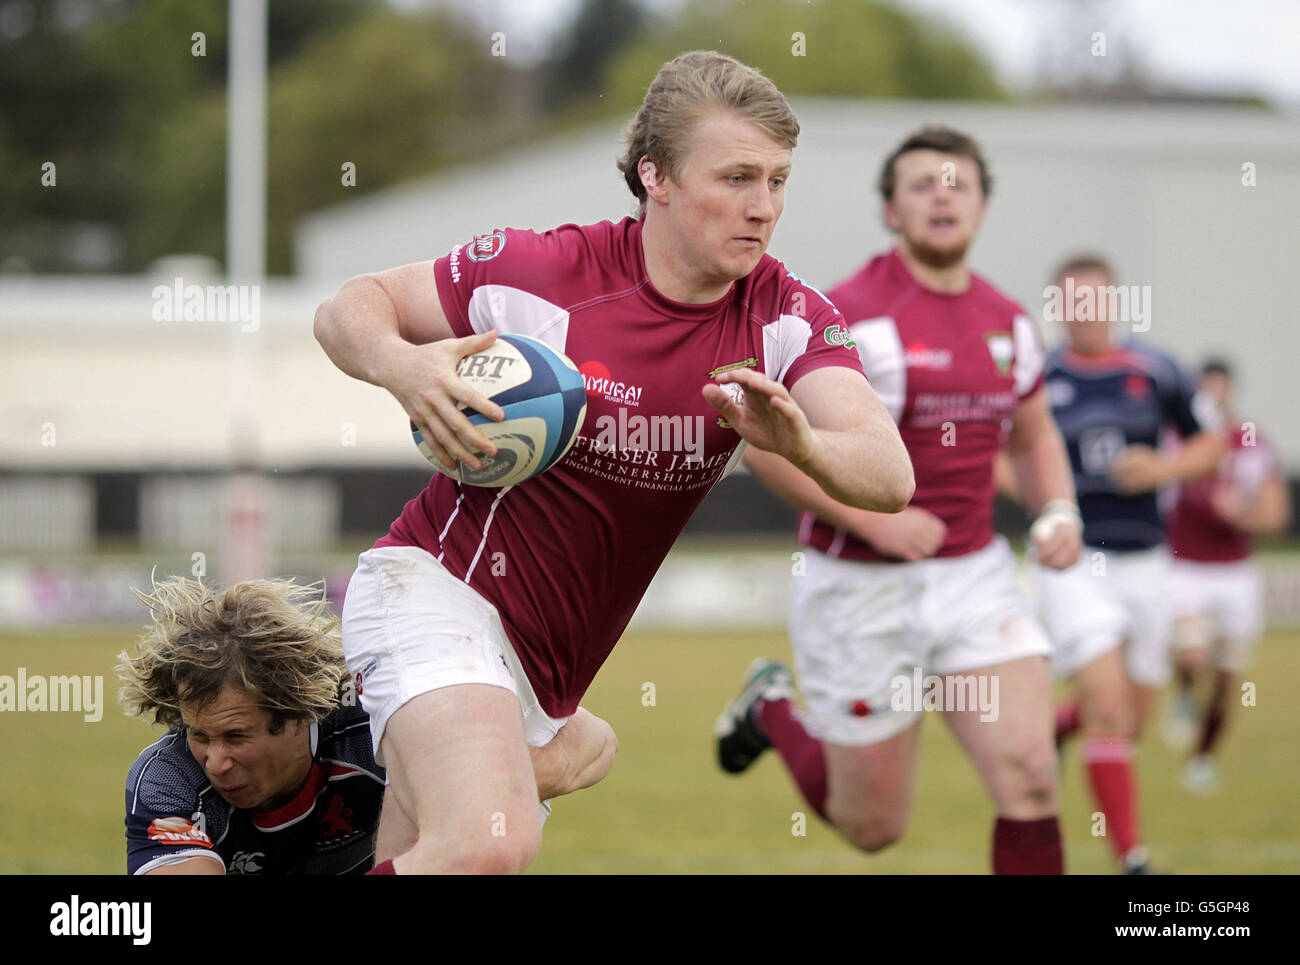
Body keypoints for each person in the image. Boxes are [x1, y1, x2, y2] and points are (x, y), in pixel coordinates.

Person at [311, 50, 914, 875]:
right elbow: (350, 306)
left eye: (777, 181)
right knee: (494, 838)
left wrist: (803, 444)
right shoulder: (544, 274)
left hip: (546, 672)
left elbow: (889, 474)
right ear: (654, 175)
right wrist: (406, 367)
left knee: (492, 811)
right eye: (737, 177)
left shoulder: (786, 315)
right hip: (435, 589)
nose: (763, 207)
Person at [716, 126, 1081, 874]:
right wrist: (870, 520)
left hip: (976, 577)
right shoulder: (842, 315)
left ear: (981, 206)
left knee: (1034, 775)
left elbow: (1034, 436)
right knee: (873, 825)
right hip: (859, 588)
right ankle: (770, 709)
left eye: (959, 184)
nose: (942, 195)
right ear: (891, 210)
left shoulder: (1011, 321)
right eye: (922, 185)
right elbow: (763, 445)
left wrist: (1060, 511)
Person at [119, 576, 616, 875]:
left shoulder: (374, 719)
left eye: (236, 737)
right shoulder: (168, 779)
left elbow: (593, 739)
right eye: (199, 735)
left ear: (297, 716)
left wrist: (480, 793)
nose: (215, 760)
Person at [1025, 255, 1225, 872]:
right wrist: (1047, 503)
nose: (1085, 313)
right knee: (1109, 708)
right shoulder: (1038, 376)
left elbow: (1213, 442)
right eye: (1072, 302)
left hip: (1149, 563)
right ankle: (1132, 860)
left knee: (1131, 719)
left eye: (1096, 300)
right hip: (1076, 559)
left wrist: (1162, 468)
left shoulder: (1157, 369)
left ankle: (1061, 728)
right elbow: (1006, 452)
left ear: (1114, 304)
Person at [1163, 359, 1290, 793]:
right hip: (1184, 567)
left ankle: (1201, 758)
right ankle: (1182, 692)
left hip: (1235, 573)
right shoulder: (1175, 439)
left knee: (1227, 674)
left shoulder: (1251, 442)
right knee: (1191, 652)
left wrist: (1243, 512)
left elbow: (1275, 514)